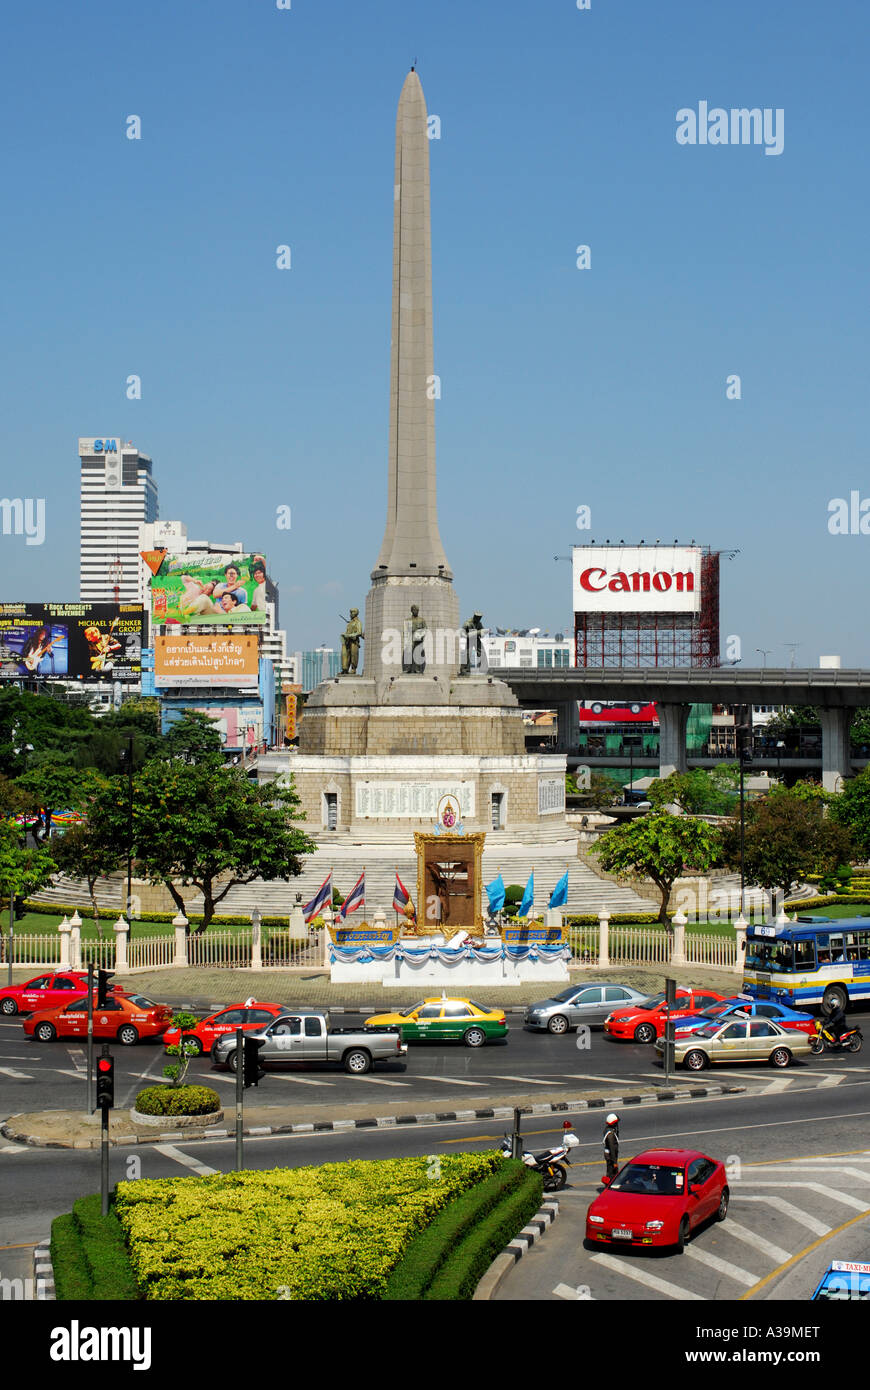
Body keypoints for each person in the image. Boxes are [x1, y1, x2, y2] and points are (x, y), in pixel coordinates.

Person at [603, 1112, 620, 1180]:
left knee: (612, 1171)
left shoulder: (608, 1129)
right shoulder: (610, 1134)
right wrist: (615, 1162)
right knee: (612, 1172)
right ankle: (609, 1185)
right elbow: (612, 1148)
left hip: (610, 1155)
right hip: (611, 1155)